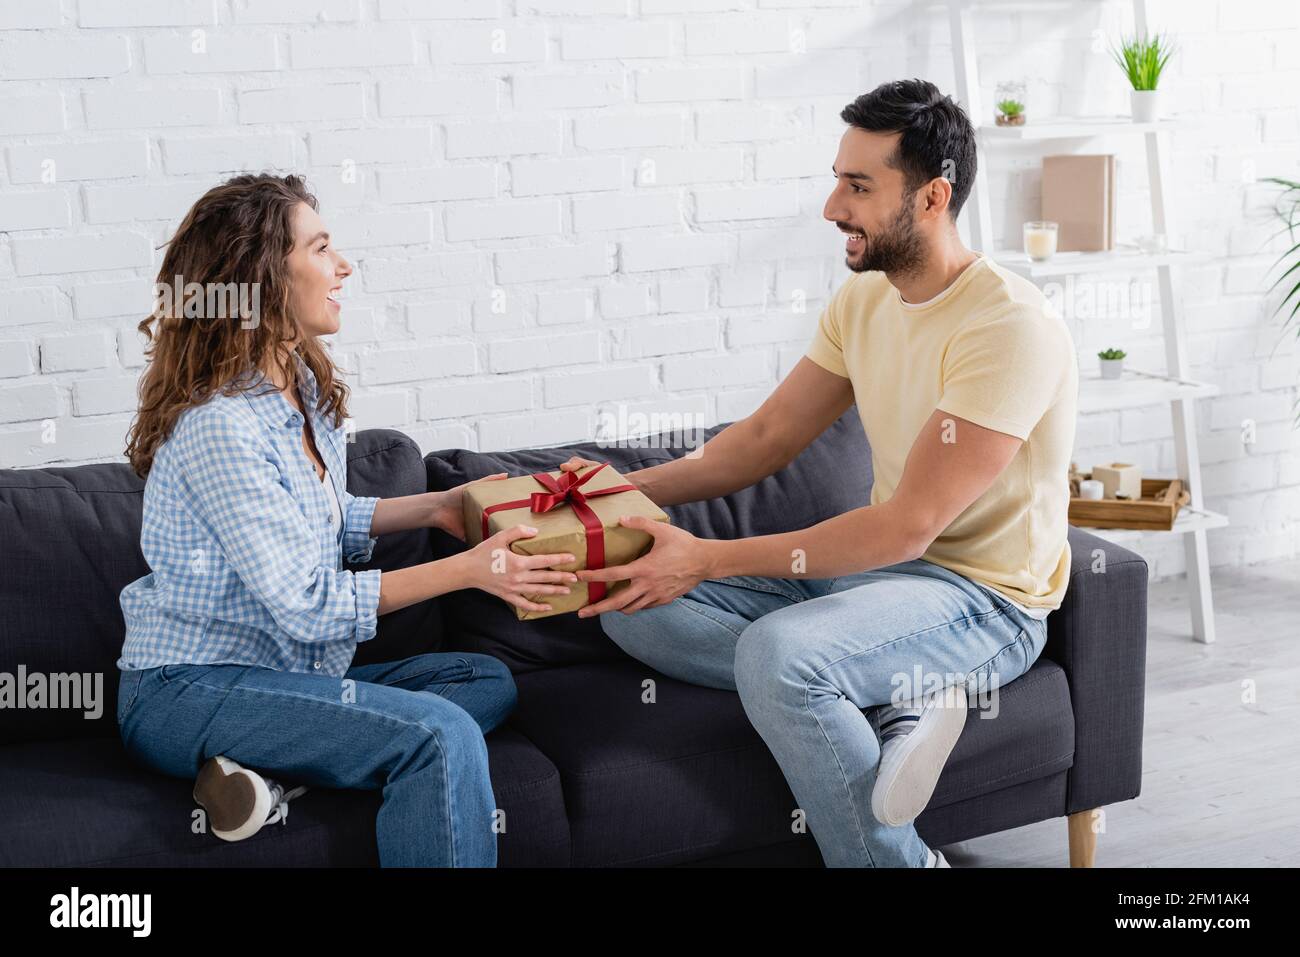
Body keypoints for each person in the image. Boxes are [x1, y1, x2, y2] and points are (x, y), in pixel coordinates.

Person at [554, 79, 1079, 868]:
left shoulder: (1008, 325)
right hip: (873, 587)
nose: (833, 206)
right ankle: (903, 690)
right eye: (838, 179)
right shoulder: (862, 302)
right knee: (632, 599)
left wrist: (705, 555)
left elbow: (909, 526)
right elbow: (762, 438)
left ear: (933, 197)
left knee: (780, 657)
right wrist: (623, 490)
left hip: (981, 601)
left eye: (859, 186)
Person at [117, 173, 578, 866]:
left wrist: (436, 506)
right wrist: (467, 571)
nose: (345, 266)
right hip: (189, 687)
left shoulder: (299, 388)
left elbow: (318, 518)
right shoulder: (222, 429)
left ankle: (258, 779)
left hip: (285, 680)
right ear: (264, 276)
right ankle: (261, 755)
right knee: (436, 735)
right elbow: (307, 602)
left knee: (483, 680)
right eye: (322, 247)